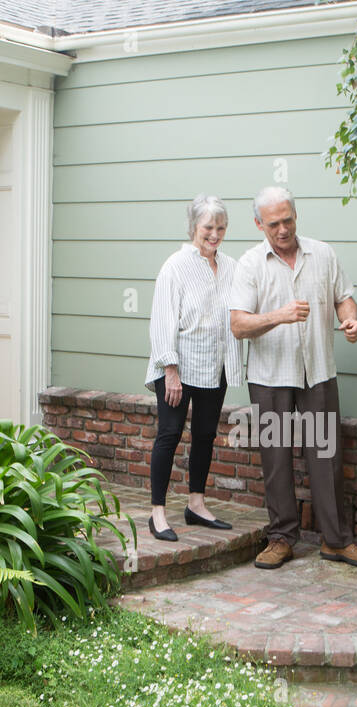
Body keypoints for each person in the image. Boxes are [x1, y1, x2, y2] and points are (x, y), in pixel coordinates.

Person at [228, 185, 357, 570]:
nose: (283, 229)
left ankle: (336, 540)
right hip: (270, 376)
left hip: (319, 373)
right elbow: (238, 324)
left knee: (326, 456)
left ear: (296, 216)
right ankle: (281, 538)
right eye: (274, 223)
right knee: (276, 458)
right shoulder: (250, 264)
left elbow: (343, 297)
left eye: (288, 220)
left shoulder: (323, 254)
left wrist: (351, 318)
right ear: (259, 224)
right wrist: (279, 315)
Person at [144, 194, 242, 542]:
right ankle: (157, 513)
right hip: (178, 367)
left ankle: (196, 504)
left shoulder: (230, 267)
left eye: (221, 228)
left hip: (214, 366)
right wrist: (170, 369)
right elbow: (162, 320)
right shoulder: (175, 266)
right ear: (193, 229)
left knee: (204, 435)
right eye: (208, 228)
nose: (214, 234)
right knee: (169, 435)